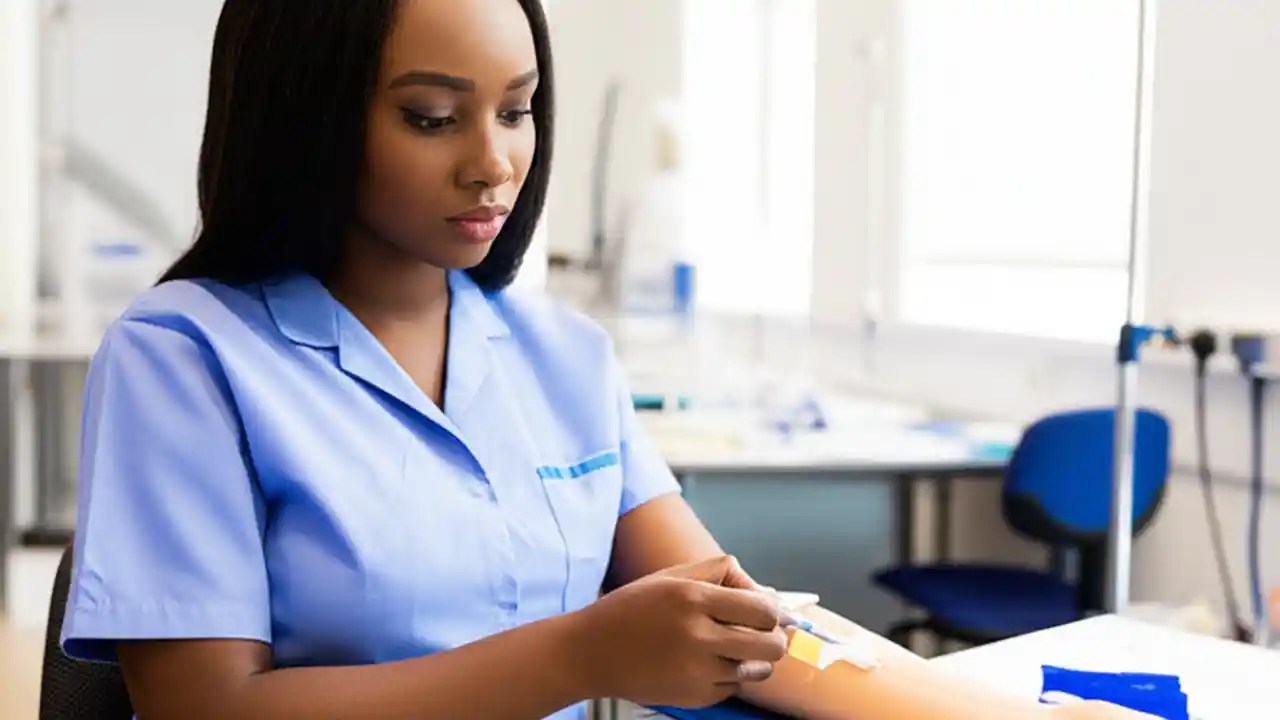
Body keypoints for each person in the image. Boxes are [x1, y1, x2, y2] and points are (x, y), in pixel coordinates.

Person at [62, 1, 1154, 718]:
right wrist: (578, 657)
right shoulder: (187, 356)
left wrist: (992, 714)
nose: (494, 164)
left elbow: (741, 617)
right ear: (306, 119)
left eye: (519, 111)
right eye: (433, 118)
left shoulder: (559, 356)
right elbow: (203, 708)